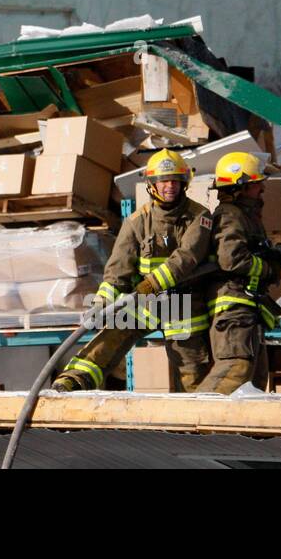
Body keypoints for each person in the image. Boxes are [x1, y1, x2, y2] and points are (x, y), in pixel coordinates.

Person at [52, 149, 215, 392]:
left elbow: (186, 259)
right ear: (152, 185)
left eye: (174, 180)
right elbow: (118, 271)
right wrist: (101, 304)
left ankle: (199, 423)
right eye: (163, 180)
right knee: (110, 337)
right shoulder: (137, 222)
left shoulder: (199, 217)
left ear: (184, 183)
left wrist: (147, 286)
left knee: (192, 371)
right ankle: (71, 383)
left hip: (184, 305)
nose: (169, 185)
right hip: (145, 303)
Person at [194, 151, 281, 394]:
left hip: (247, 308)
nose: (262, 190)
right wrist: (268, 267)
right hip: (233, 308)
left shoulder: (247, 216)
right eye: (257, 185)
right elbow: (232, 259)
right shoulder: (229, 215)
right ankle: (196, 418)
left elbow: (252, 255)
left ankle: (242, 432)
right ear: (240, 187)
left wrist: (280, 257)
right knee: (235, 368)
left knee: (254, 381)